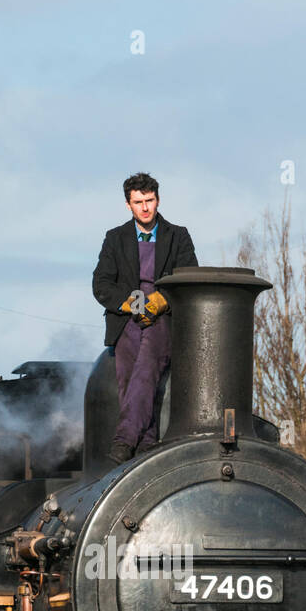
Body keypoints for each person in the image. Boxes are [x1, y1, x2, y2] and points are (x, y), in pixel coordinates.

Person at [92, 172, 197, 463]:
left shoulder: (179, 236)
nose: (145, 208)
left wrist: (161, 300)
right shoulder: (114, 238)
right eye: (138, 202)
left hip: (164, 314)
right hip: (127, 315)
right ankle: (147, 440)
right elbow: (101, 284)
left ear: (158, 200)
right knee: (129, 374)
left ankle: (124, 439)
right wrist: (129, 305)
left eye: (149, 201)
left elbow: (189, 279)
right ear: (128, 205)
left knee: (147, 362)